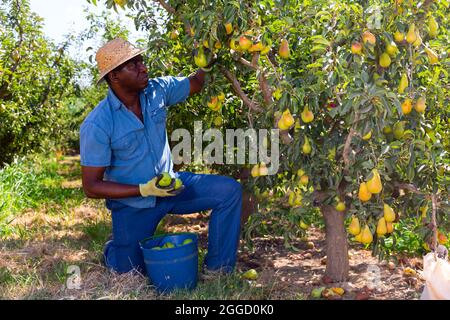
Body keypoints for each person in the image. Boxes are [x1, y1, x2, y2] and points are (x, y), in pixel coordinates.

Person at [80, 38, 242, 275]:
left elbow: (195, 82)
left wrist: (206, 63)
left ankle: (218, 268)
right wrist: (144, 189)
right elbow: (91, 186)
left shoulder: (157, 90)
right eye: (133, 65)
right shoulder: (98, 124)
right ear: (114, 76)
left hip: (171, 187)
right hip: (134, 203)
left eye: (141, 61)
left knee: (229, 191)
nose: (143, 67)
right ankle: (113, 252)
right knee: (131, 272)